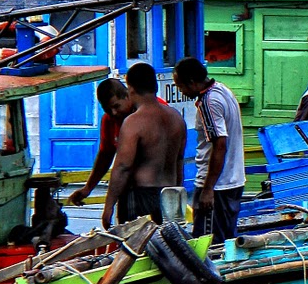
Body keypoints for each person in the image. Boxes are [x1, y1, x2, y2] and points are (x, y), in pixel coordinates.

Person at [102, 64, 187, 227]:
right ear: (154, 86)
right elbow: (179, 161)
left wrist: (109, 206)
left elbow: (122, 167)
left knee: (138, 250)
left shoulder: (134, 122)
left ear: (131, 89)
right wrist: (178, 194)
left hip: (141, 197)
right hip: (171, 193)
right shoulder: (177, 119)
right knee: (168, 247)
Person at [175, 57, 245, 243]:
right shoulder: (223, 91)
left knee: (208, 245)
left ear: (191, 81)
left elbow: (219, 144)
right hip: (232, 181)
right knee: (226, 241)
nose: (180, 91)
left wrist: (208, 189)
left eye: (181, 86)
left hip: (218, 185)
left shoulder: (208, 102)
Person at [68, 77, 166, 207]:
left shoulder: (154, 110)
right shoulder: (108, 120)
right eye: (108, 110)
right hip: (128, 188)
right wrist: (88, 188)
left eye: (116, 106)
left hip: (158, 185)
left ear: (127, 96)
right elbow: (105, 156)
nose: (113, 113)